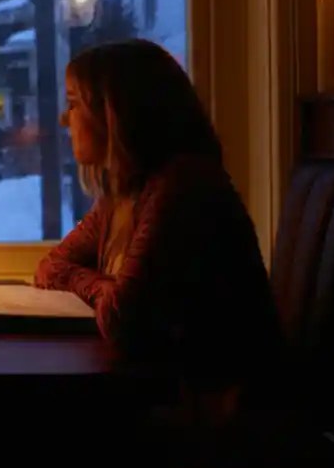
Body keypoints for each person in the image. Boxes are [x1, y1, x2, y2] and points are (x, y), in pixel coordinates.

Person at [34, 39, 284, 425]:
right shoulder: (125, 194)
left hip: (228, 419)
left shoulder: (182, 186)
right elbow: (51, 268)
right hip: (176, 401)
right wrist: (102, 286)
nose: (65, 121)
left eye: (73, 104)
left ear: (114, 113)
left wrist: (95, 288)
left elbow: (121, 317)